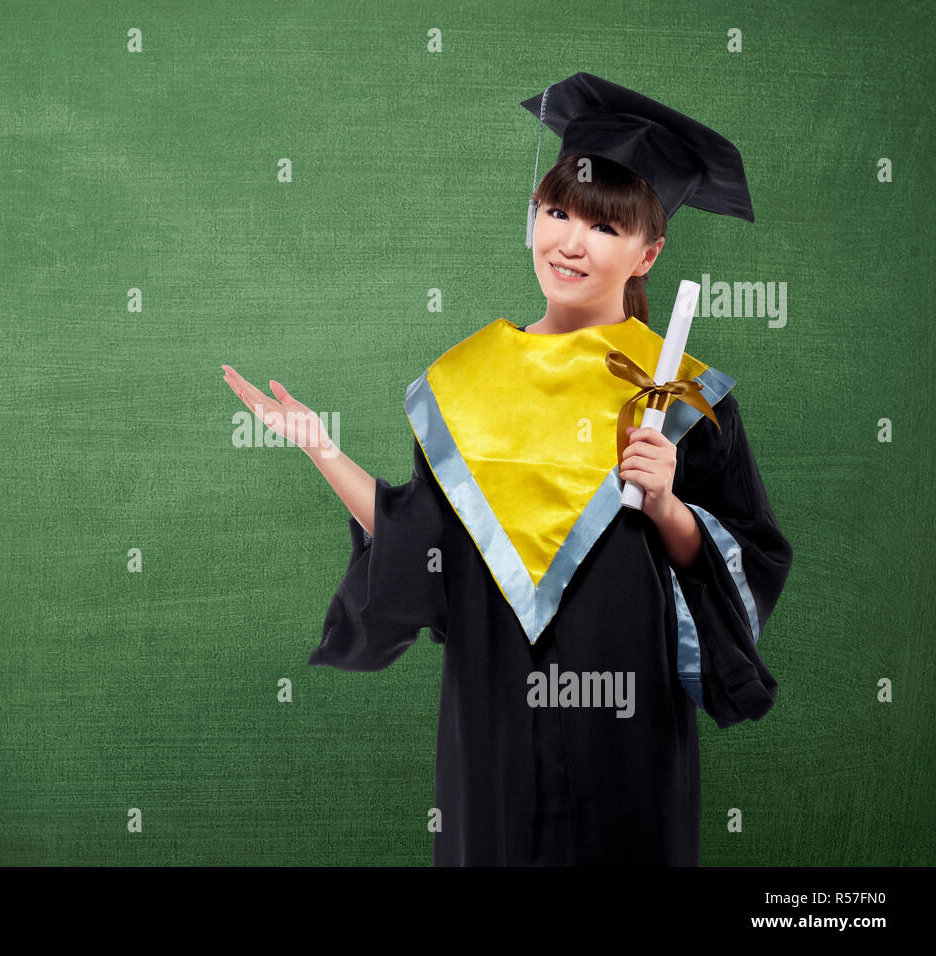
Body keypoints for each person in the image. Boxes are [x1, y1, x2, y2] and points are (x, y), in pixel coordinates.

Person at [221, 73, 793, 866]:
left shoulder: (683, 396)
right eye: (557, 212)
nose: (569, 241)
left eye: (603, 226)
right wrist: (320, 446)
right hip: (491, 704)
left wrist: (665, 504)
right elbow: (420, 549)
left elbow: (743, 565)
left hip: (629, 705)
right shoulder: (466, 380)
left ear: (648, 252)